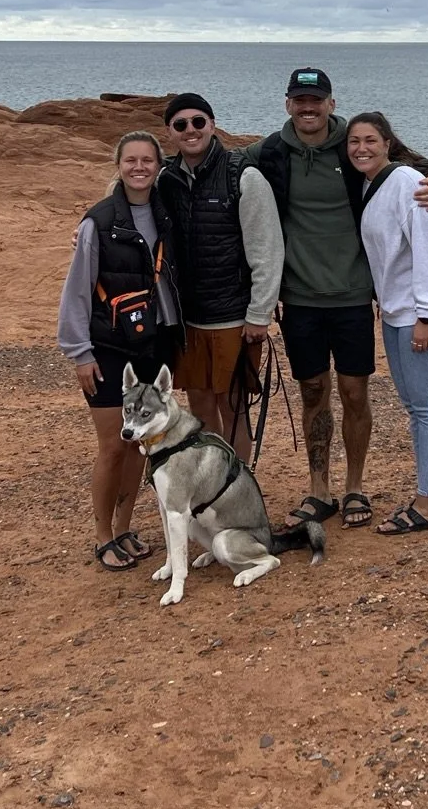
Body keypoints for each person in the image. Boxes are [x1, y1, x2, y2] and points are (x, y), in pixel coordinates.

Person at [230, 68, 428, 530]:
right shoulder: (270, 151)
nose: (308, 108)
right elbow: (216, 164)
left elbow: (420, 168)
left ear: (330, 103)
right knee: (313, 393)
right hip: (300, 299)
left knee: (354, 393)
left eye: (317, 100)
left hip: (351, 297)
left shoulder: (354, 144)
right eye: (300, 100)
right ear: (288, 103)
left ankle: (354, 486)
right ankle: (318, 489)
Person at [56, 130, 184, 571]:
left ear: (158, 165)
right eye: (130, 160)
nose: (139, 168)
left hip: (152, 343)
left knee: (140, 444)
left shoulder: (167, 211)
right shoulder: (98, 222)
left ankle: (126, 527)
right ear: (118, 165)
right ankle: (102, 535)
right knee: (114, 445)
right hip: (108, 347)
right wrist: (79, 352)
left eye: (147, 160)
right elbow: (76, 289)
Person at [346, 111, 428, 534]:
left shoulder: (406, 183)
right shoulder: (368, 183)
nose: (361, 148)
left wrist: (427, 316)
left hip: (422, 314)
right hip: (398, 311)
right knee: (417, 406)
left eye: (370, 140)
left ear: (387, 143)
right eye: (354, 142)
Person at [154, 93, 284, 455]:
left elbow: (267, 249)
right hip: (187, 320)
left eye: (198, 121)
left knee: (235, 409)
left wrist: (259, 313)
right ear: (170, 132)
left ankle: (237, 487)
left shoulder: (243, 175)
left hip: (233, 318)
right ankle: (209, 483)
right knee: (199, 407)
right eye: (180, 124)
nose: (190, 130)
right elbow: (123, 195)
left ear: (212, 125)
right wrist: (87, 227)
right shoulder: (165, 178)